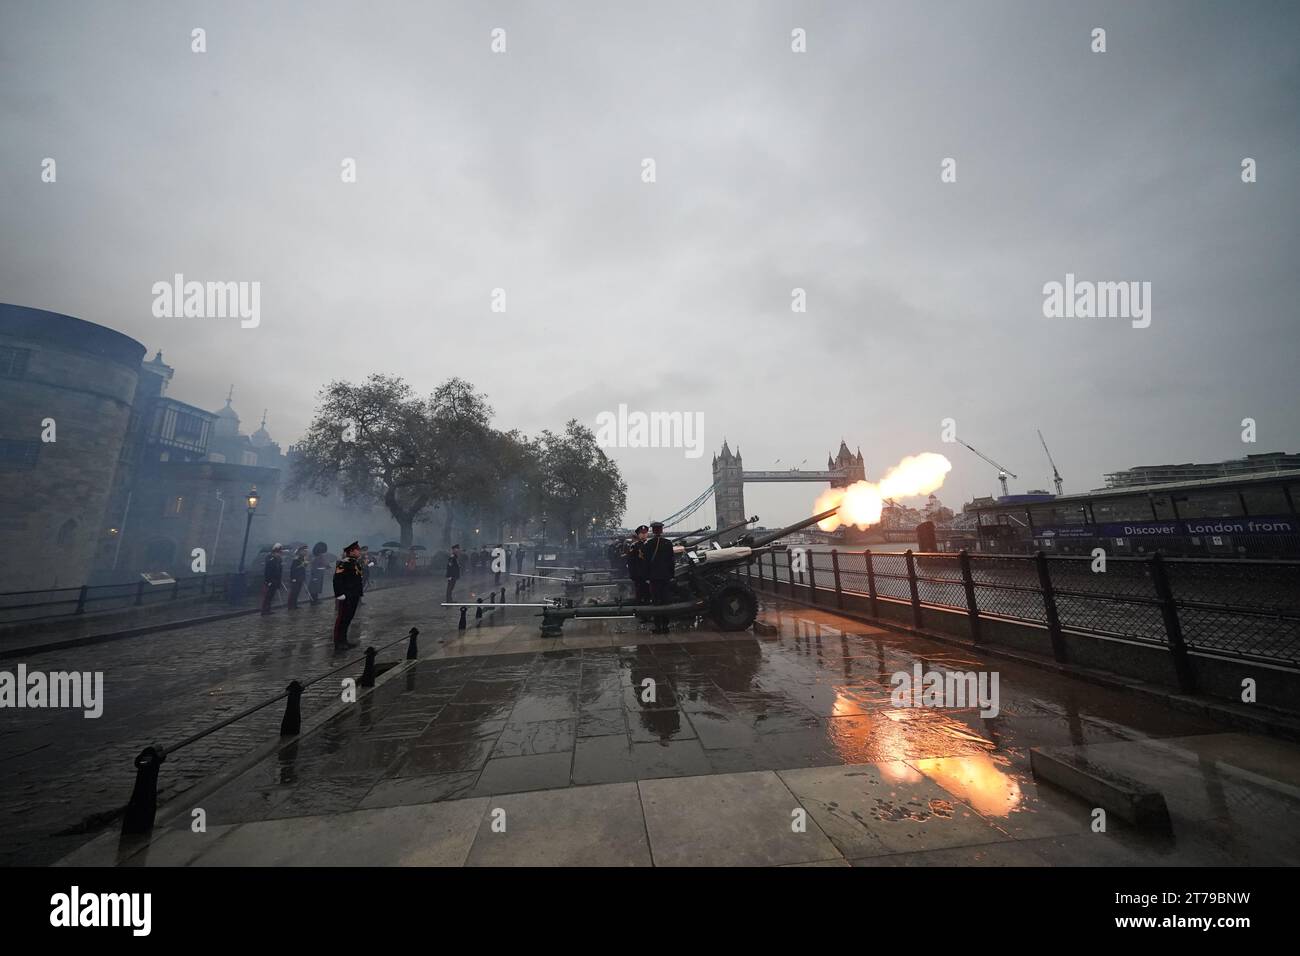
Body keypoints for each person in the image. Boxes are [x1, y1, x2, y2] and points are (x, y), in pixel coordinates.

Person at [643, 522, 676, 633]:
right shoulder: (668, 543)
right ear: (661, 530)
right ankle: (666, 626)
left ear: (653, 531)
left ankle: (658, 626)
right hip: (665, 577)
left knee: (656, 602)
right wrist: (671, 575)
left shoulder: (648, 544)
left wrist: (647, 576)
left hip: (654, 578)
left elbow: (646, 562)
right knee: (666, 601)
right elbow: (672, 562)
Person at [332, 541, 365, 650]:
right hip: (346, 595)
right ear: (351, 551)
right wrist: (339, 593)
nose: (359, 551)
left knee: (348, 618)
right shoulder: (344, 563)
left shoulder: (355, 562)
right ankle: (338, 641)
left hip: (354, 594)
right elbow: (337, 579)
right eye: (357, 550)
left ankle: (344, 640)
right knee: (342, 618)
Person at [626, 525, 651, 605]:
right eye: (641, 533)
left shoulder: (651, 544)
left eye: (645, 533)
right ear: (638, 534)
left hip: (650, 575)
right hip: (639, 576)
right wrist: (633, 575)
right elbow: (631, 562)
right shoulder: (634, 546)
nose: (643, 534)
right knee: (640, 595)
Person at [260, 543, 284, 615]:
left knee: (271, 596)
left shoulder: (278, 560)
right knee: (267, 596)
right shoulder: (271, 559)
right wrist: (268, 581)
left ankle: (268, 609)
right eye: (278, 552)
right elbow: (268, 571)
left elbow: (279, 571)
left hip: (275, 580)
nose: (279, 554)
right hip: (270, 580)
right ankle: (264, 610)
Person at [287, 545, 308, 609]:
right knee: (294, 592)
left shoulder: (302, 558)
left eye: (306, 551)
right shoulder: (296, 559)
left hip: (300, 578)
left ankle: (294, 605)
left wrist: (305, 563)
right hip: (296, 578)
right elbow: (293, 569)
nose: (305, 552)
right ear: (300, 551)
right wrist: (293, 578)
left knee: (297, 592)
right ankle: (291, 606)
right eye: (304, 551)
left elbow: (303, 568)